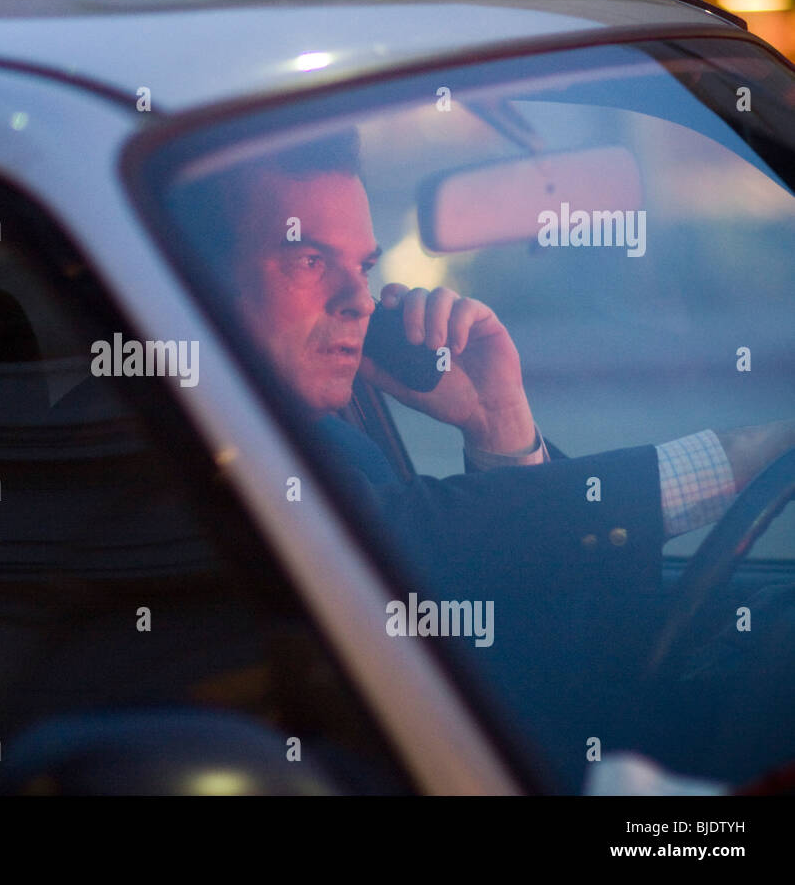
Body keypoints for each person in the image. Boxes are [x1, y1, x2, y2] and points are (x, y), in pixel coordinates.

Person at [182, 130, 795, 595]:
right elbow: (417, 544)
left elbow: (541, 633)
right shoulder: (183, 447)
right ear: (196, 279)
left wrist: (496, 420)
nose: (359, 303)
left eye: (364, 268)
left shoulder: (316, 434)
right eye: (308, 261)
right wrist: (749, 455)